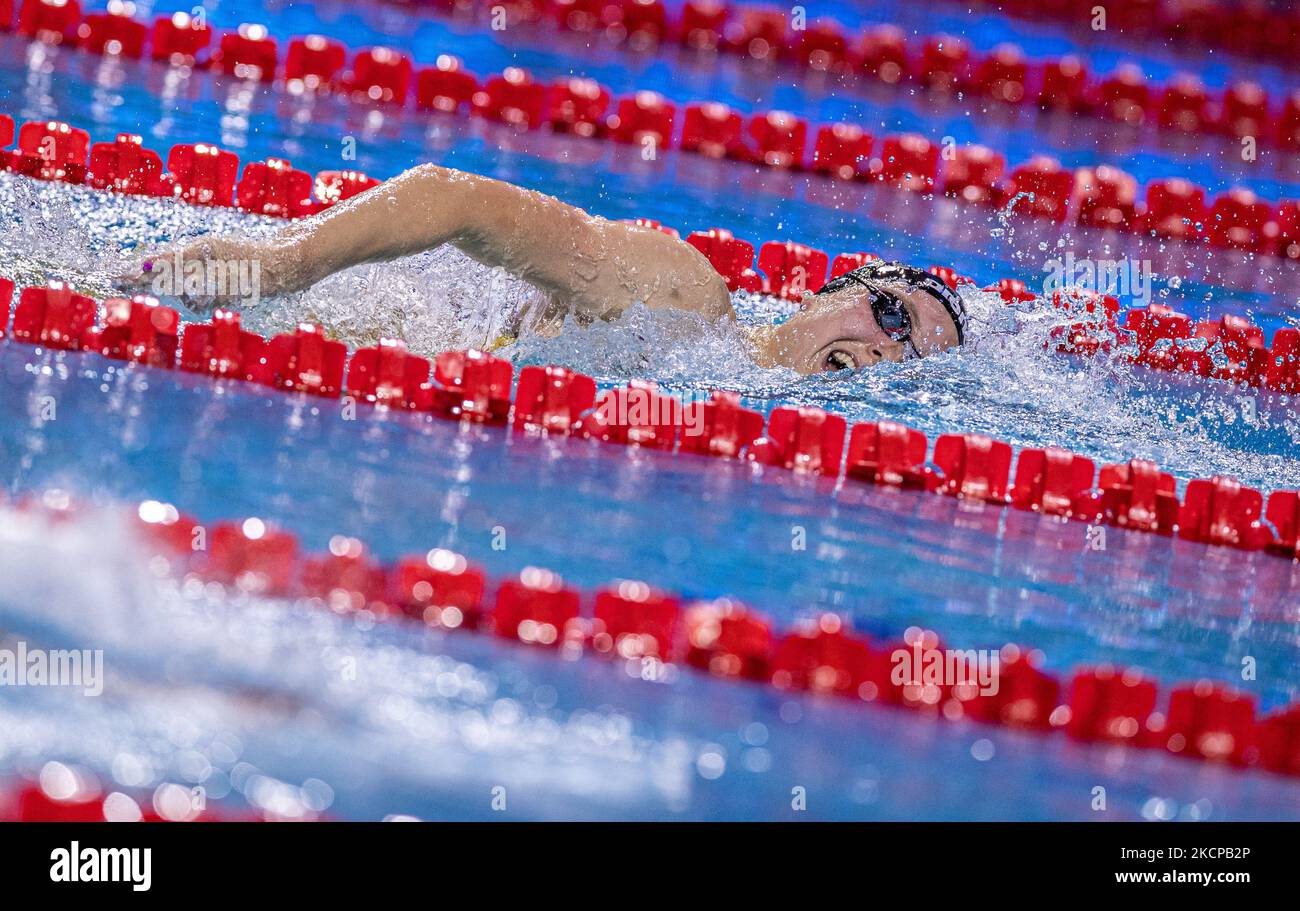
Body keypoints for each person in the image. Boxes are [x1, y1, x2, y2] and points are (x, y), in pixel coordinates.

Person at [119, 163, 967, 375]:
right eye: (893, 317)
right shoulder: (686, 297)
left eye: (916, 360)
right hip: (303, 333)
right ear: (826, 293)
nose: (890, 355)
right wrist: (284, 264)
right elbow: (454, 199)